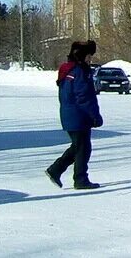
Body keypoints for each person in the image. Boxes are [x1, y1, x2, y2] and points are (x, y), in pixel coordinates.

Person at [45, 40, 103, 190]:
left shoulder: (67, 70)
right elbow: (83, 96)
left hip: (69, 114)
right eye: (89, 57)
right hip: (79, 115)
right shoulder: (79, 71)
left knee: (78, 146)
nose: (90, 60)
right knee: (82, 148)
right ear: (81, 56)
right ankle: (79, 179)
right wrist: (94, 115)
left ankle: (57, 170)